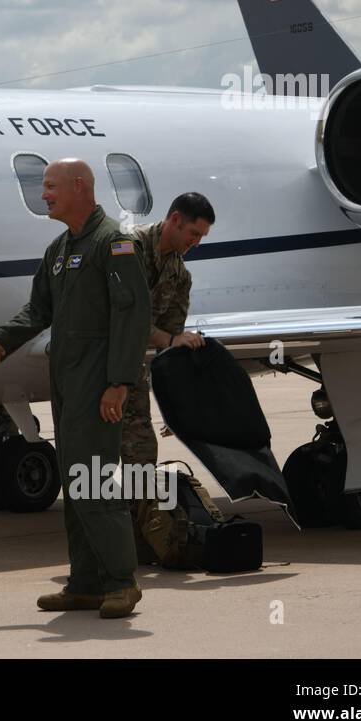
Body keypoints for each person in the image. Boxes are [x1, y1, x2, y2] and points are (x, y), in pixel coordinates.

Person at [0, 158, 151, 618]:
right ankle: (86, 582)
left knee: (92, 480)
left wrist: (119, 383)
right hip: (69, 387)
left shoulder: (114, 242)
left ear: (79, 187)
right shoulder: (58, 249)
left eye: (51, 186)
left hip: (99, 387)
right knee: (75, 483)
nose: (44, 194)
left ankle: (121, 581)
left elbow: (132, 317)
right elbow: (37, 311)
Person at [122, 193, 213, 526]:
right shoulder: (127, 248)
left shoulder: (178, 274)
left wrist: (177, 409)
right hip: (93, 366)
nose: (196, 242)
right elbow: (124, 317)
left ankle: (140, 530)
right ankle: (96, 530)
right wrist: (171, 339)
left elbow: (171, 351)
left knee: (141, 450)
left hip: (127, 372)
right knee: (92, 457)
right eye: (194, 233)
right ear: (175, 220)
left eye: (202, 237)